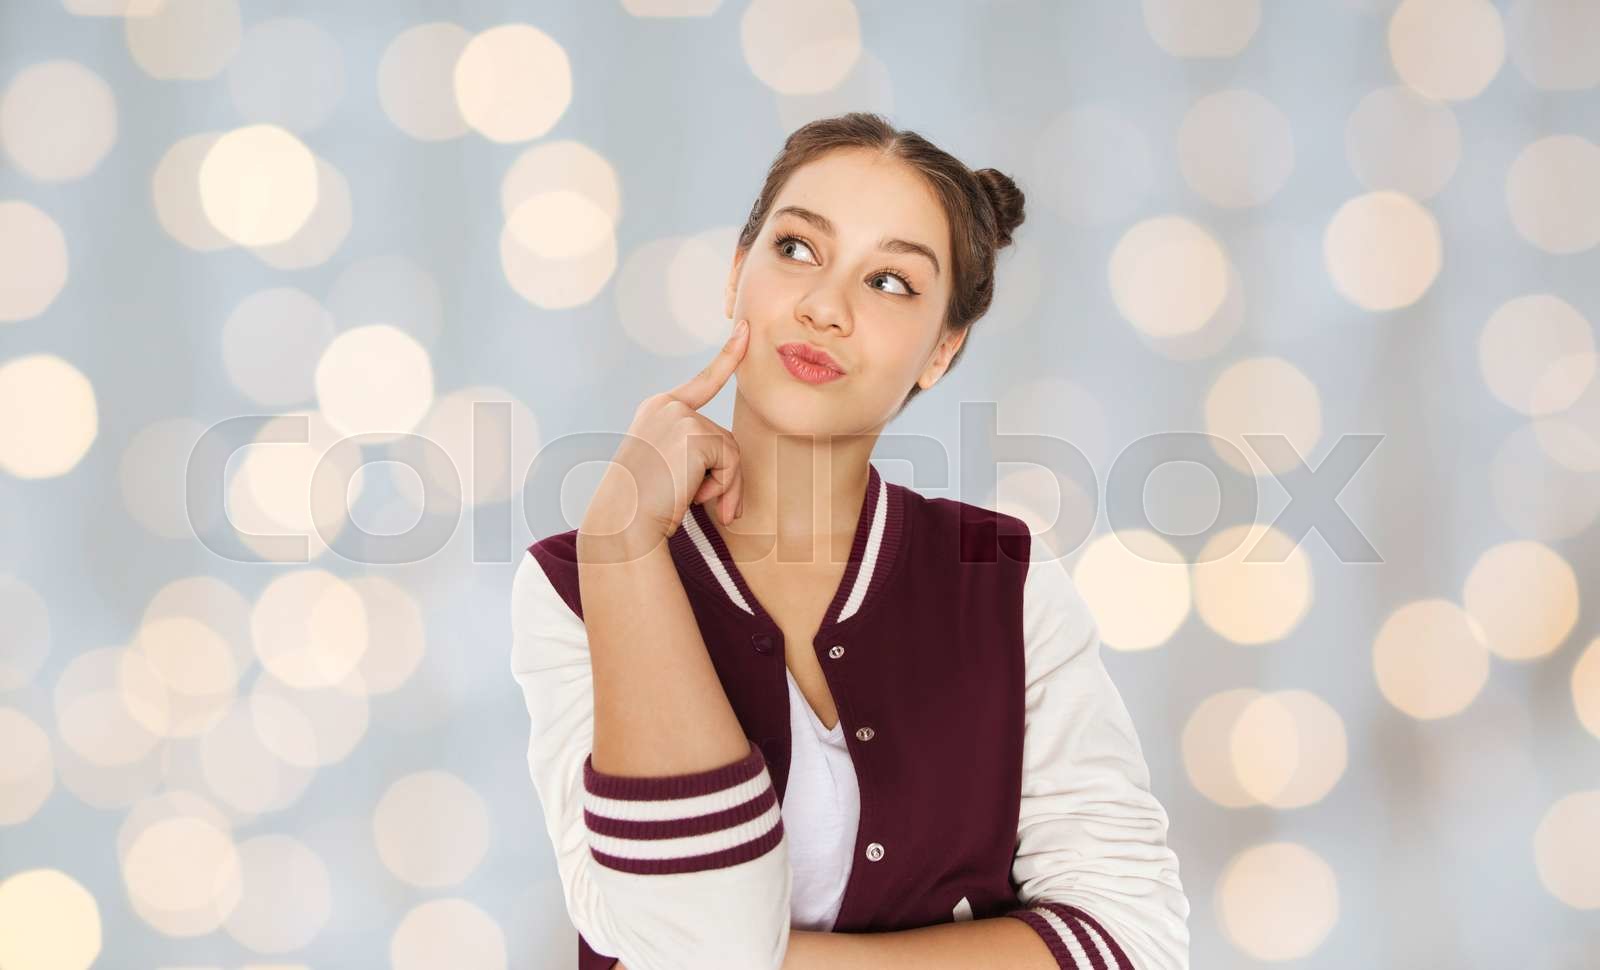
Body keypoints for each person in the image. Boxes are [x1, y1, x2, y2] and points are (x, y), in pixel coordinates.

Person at [510, 111, 1190, 970]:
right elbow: (690, 929)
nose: (825, 307)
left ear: (942, 350)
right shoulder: (579, 580)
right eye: (797, 249)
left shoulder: (1002, 580)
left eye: (892, 283)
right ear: (735, 276)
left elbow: (1133, 941)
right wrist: (627, 545)